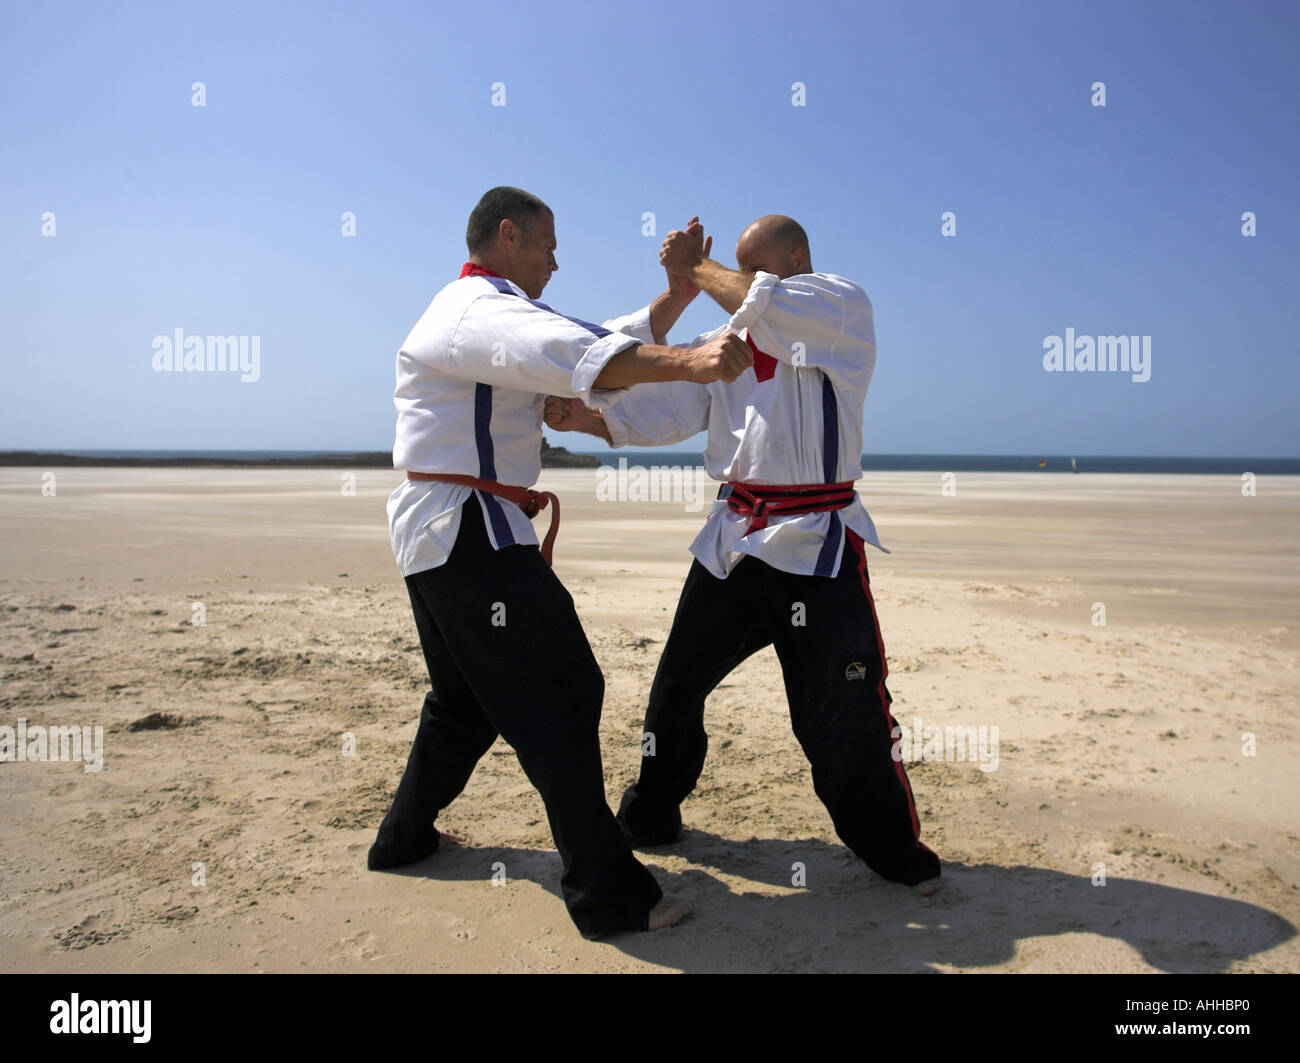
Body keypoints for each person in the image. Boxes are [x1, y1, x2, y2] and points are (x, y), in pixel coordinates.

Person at [369, 187, 754, 938]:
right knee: (564, 686)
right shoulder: (476, 308)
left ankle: (403, 839)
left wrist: (674, 303)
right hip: (466, 531)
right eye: (547, 243)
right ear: (507, 236)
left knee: (464, 703)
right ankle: (608, 890)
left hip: (449, 533)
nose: (556, 257)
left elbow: (584, 339)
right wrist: (691, 360)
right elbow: (564, 351)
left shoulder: (486, 312)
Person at [545, 214, 941, 894]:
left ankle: (896, 852)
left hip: (816, 543)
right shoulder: (731, 337)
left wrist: (695, 268)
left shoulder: (839, 306)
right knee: (675, 689)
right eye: (738, 270)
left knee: (842, 713)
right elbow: (673, 404)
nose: (746, 283)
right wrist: (588, 418)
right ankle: (652, 815)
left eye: (757, 268)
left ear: (798, 256)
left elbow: (771, 304)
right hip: (733, 541)